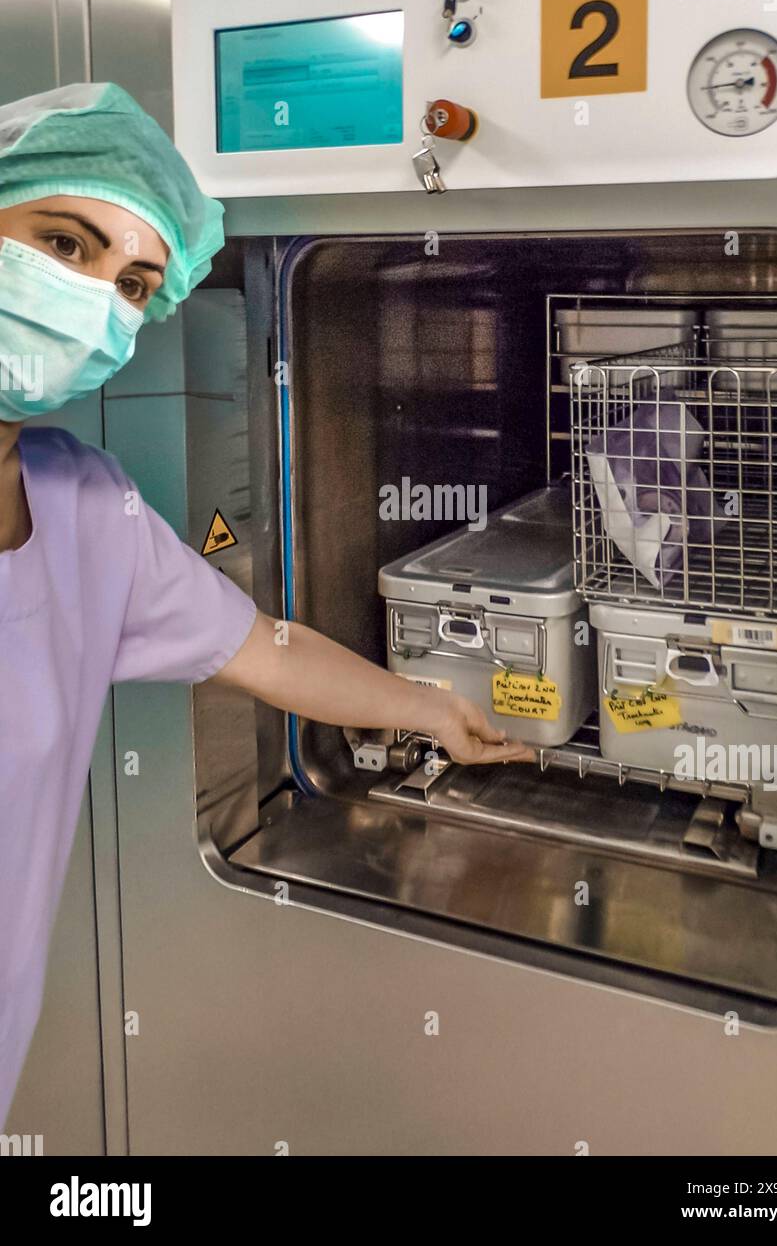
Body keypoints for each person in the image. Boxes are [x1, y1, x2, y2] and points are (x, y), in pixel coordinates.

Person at [0, 83, 534, 1128]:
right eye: (63, 243)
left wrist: (427, 708)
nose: (93, 300)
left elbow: (262, 647)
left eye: (132, 283)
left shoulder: (82, 507)